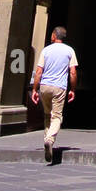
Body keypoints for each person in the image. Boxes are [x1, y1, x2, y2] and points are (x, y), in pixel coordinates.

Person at [31, 26, 77, 163]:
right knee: (56, 116)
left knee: (47, 114)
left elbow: (39, 71)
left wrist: (34, 89)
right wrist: (73, 89)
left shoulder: (46, 50)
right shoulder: (69, 51)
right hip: (59, 87)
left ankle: (47, 139)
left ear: (53, 36)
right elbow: (73, 72)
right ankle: (50, 140)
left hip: (44, 86)